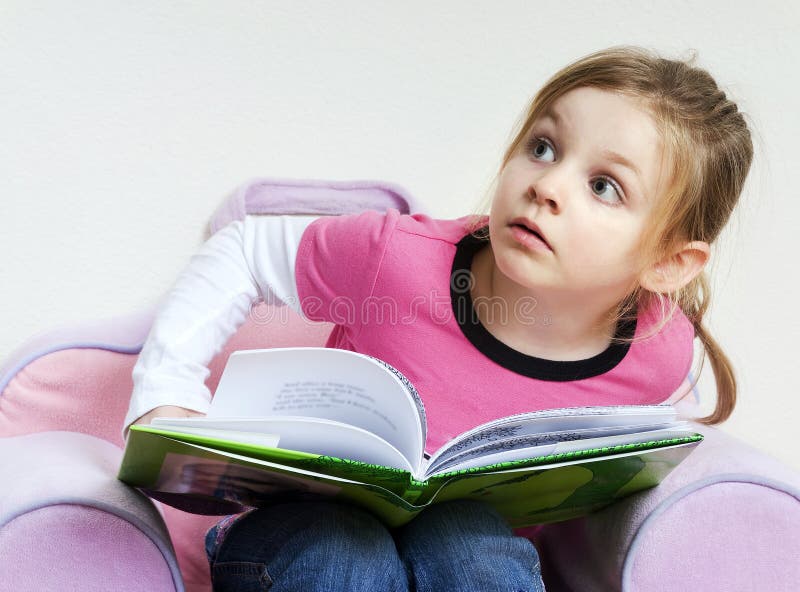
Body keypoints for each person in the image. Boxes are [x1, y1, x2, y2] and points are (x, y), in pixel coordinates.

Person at [123, 45, 753, 591]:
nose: (547, 185)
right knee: (344, 554)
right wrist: (166, 391)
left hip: (466, 549)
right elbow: (241, 251)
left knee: (472, 545)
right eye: (542, 147)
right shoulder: (398, 260)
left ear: (668, 264)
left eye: (604, 186)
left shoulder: (654, 354)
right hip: (298, 535)